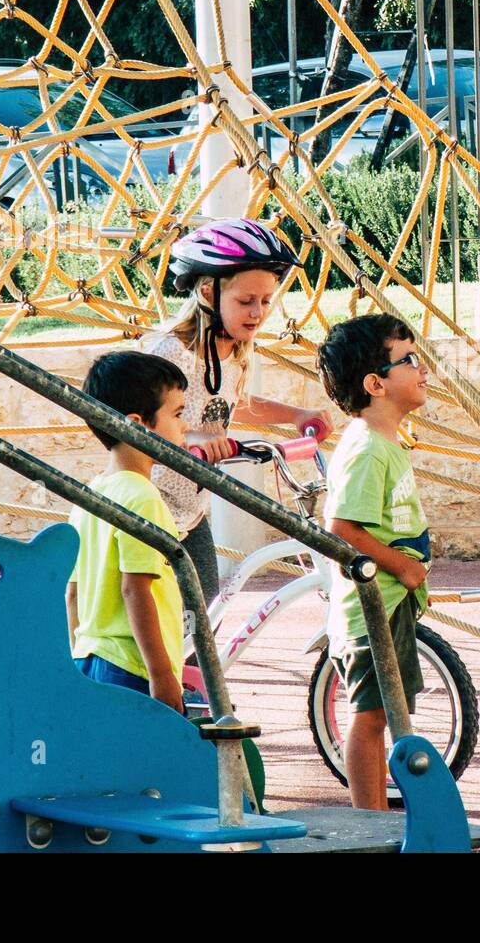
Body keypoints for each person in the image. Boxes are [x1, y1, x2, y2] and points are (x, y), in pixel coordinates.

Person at [142, 218, 334, 608]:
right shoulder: (172, 353)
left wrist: (296, 414)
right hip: (150, 508)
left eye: (265, 301)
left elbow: (230, 405)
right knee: (163, 625)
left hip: (190, 513)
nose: (258, 312)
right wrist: (192, 439)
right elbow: (139, 427)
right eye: (245, 301)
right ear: (209, 294)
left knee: (204, 615)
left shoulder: (235, 351)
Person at [316, 314, 431, 810]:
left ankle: (378, 815)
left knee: (385, 712)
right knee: (369, 717)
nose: (422, 368)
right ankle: (370, 819)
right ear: (375, 383)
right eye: (409, 360)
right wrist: (402, 567)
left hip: (389, 605)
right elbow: (342, 528)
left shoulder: (384, 444)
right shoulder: (366, 447)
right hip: (372, 608)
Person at [66, 351, 190, 713]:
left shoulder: (90, 493)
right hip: (132, 667)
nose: (185, 425)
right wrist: (162, 675)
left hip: (88, 659)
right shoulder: (143, 498)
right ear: (137, 424)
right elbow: (135, 590)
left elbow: (72, 595)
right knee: (145, 766)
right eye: (178, 414)